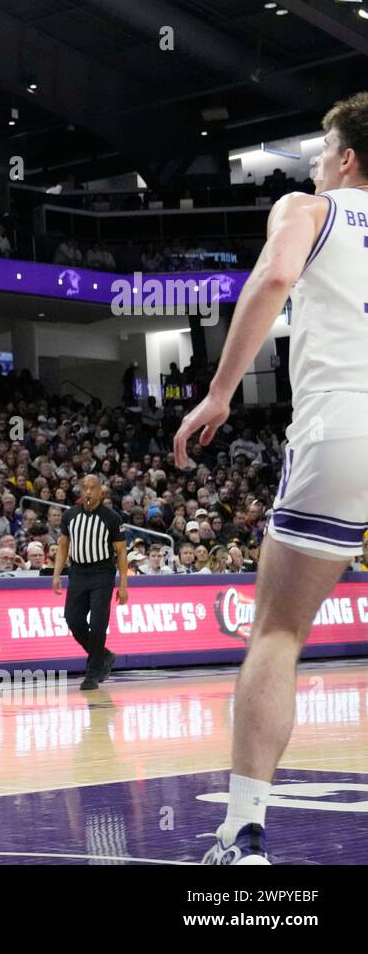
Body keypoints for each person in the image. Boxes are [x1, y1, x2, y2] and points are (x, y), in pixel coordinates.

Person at [175, 92, 368, 866]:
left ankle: (243, 834)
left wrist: (220, 392)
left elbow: (270, 281)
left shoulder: (309, 208)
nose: (315, 163)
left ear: (347, 159)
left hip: (345, 425)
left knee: (279, 633)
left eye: (322, 150)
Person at [53, 475, 128, 691]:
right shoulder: (70, 516)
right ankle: (103, 655)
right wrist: (57, 574)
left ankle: (93, 672)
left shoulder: (112, 518)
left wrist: (123, 585)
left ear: (100, 492)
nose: (87, 492)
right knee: (72, 619)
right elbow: (63, 546)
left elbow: (121, 552)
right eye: (84, 487)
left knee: (98, 623)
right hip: (77, 572)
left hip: (102, 572)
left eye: (92, 488)